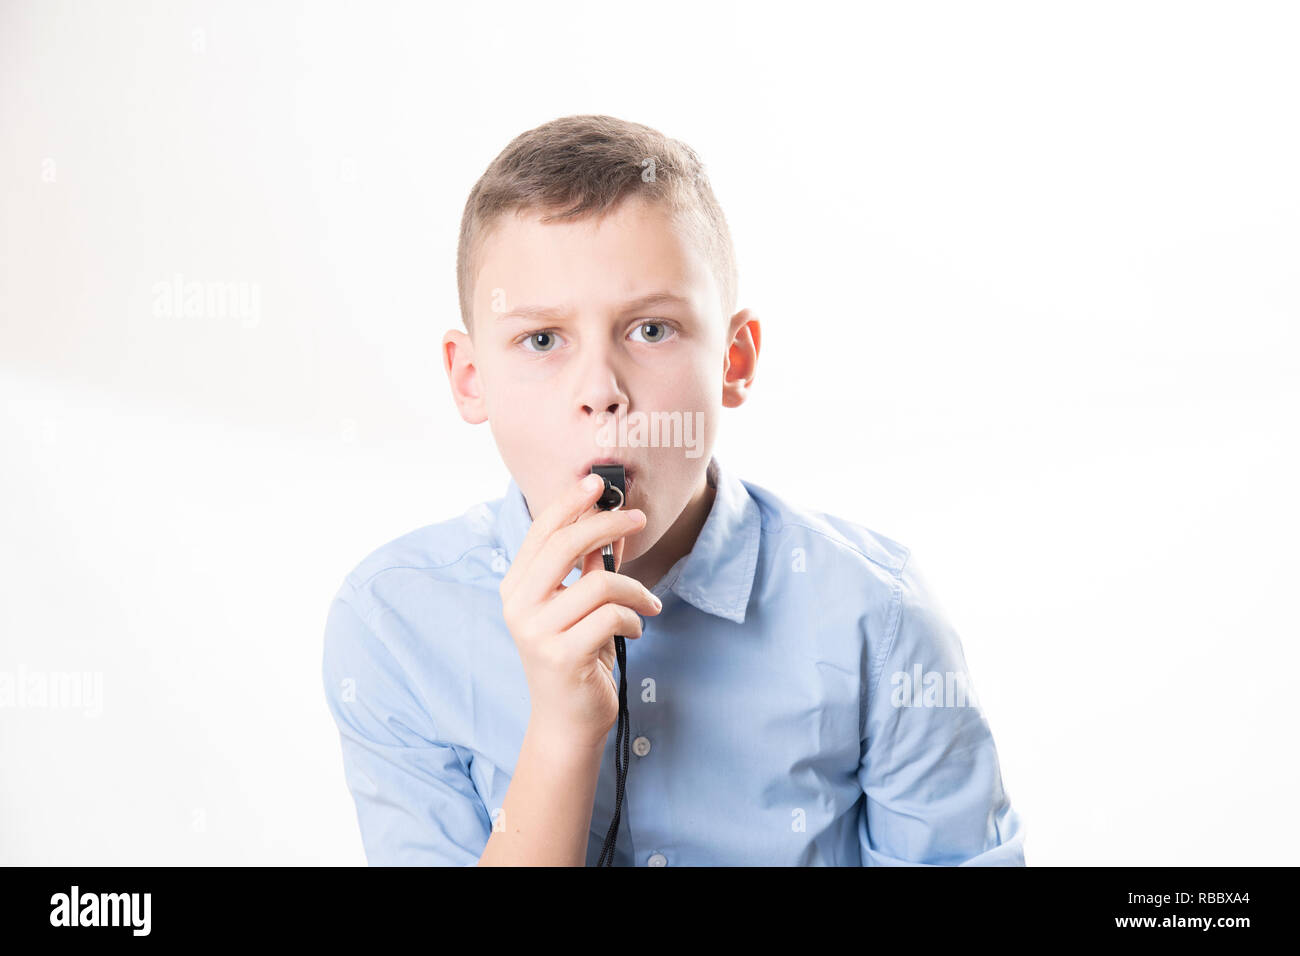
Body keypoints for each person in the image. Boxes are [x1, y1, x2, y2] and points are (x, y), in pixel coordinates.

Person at [321, 114, 1026, 866]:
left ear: (734, 359)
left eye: (651, 330)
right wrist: (562, 731)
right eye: (542, 340)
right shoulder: (393, 624)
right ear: (470, 379)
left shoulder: (876, 618)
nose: (600, 391)